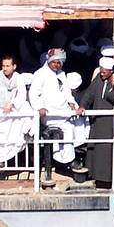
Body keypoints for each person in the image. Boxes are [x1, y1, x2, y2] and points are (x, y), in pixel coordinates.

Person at [29, 48, 88, 185]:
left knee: (79, 123)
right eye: (54, 62)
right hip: (50, 113)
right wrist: (39, 107)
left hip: (64, 110)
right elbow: (33, 94)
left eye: (59, 63)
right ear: (49, 61)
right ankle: (67, 161)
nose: (56, 65)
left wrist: (72, 103)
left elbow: (67, 93)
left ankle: (70, 156)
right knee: (67, 129)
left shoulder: (61, 74)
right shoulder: (40, 74)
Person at [78, 56, 114, 187]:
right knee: (95, 149)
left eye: (105, 72)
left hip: (109, 123)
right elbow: (89, 94)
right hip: (97, 121)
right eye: (101, 71)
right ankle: (95, 176)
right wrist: (82, 106)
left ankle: (108, 180)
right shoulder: (98, 79)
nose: (102, 74)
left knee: (107, 150)